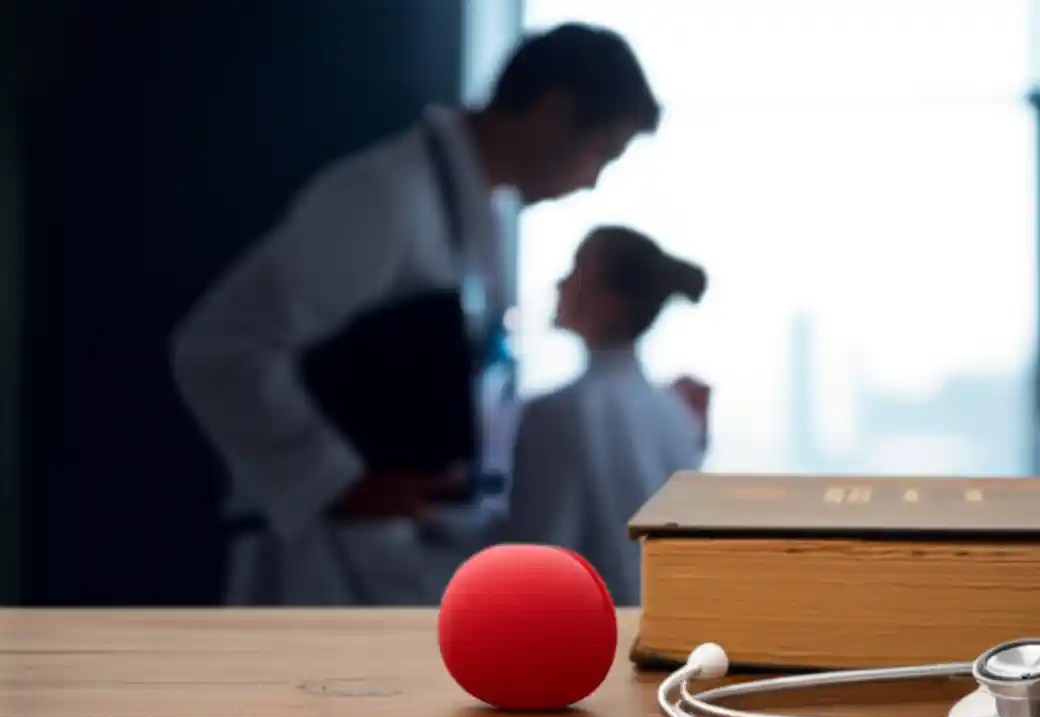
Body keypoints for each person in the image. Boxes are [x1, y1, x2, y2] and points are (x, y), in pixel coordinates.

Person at [169, 24, 661, 605]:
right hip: (322, 557)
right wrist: (334, 481)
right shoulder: (382, 197)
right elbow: (223, 348)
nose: (592, 182)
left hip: (404, 552)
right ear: (553, 113)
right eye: (602, 153)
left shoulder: (479, 213)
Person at [501, 225, 710, 606]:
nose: (561, 283)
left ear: (611, 303)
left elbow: (538, 562)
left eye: (576, 270)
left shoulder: (558, 414)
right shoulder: (674, 415)